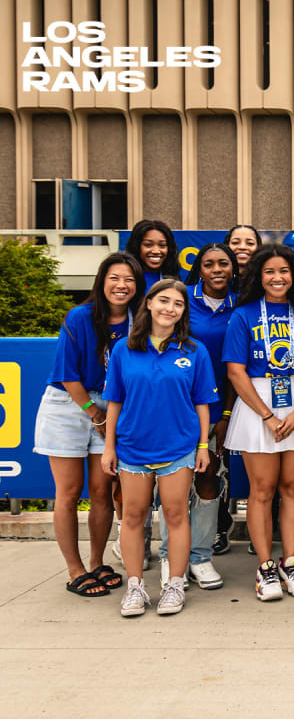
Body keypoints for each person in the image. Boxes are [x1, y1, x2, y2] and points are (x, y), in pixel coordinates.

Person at [101, 279, 218, 616]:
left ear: (184, 311)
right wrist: (109, 447)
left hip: (178, 448)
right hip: (133, 448)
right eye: (164, 301)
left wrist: (202, 446)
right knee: (134, 516)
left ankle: (175, 585)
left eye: (178, 304)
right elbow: (114, 402)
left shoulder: (195, 351)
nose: (170, 309)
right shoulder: (124, 349)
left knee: (176, 515)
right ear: (149, 303)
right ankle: (135, 586)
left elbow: (202, 404)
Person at [222, 244, 294, 602]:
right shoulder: (244, 315)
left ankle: (291, 561)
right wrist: (267, 415)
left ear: (293, 276)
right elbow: (235, 371)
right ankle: (265, 567)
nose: (277, 278)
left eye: (284, 271)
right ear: (258, 276)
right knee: (263, 489)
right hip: (258, 404)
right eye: (269, 272)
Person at [36, 253, 143, 598]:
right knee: (68, 494)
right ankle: (74, 569)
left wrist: (107, 417)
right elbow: (67, 376)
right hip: (68, 405)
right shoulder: (80, 316)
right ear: (102, 280)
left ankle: (97, 562)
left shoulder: (138, 321)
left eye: (129, 279)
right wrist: (95, 416)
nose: (121, 285)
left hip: (110, 408)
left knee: (102, 493)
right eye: (114, 278)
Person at [151, 243, 238, 592]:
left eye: (223, 264)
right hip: (169, 412)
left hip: (214, 409)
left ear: (233, 269)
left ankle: (200, 557)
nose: (217, 269)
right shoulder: (180, 298)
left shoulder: (242, 305)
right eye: (208, 264)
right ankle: (168, 557)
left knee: (207, 482)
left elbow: (237, 368)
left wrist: (227, 414)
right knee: (170, 489)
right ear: (198, 269)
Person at [213, 225, 262, 556]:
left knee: (266, 467)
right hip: (208, 390)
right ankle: (219, 527)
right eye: (236, 243)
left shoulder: (257, 295)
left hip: (249, 391)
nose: (242, 248)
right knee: (217, 466)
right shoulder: (208, 293)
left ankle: (264, 527)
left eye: (250, 242)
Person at [124, 219, 180, 291]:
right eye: (148, 245)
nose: (156, 251)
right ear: (136, 247)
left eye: (162, 245)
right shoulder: (124, 277)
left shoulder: (174, 280)